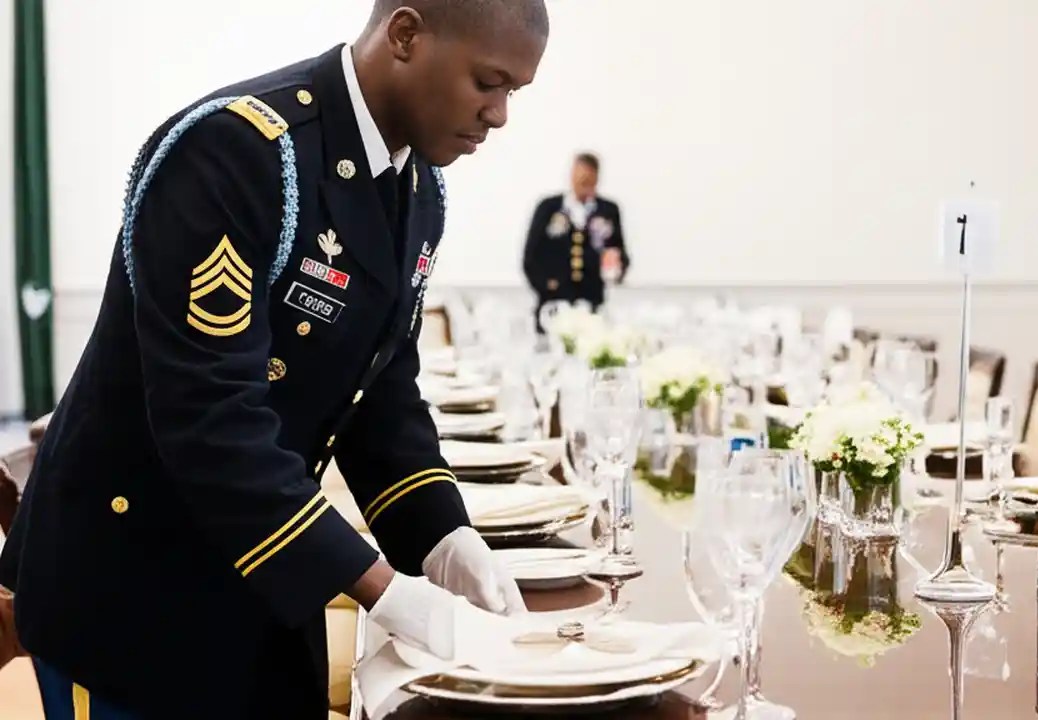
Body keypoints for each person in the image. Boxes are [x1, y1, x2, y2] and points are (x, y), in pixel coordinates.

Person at [0, 1, 548, 717]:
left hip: (262, 587)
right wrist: (383, 588)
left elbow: (381, 398)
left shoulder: (418, 189)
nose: (500, 114)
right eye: (489, 81)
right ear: (407, 35)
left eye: (514, 92)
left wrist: (445, 536)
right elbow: (208, 418)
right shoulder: (238, 151)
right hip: (132, 591)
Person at [523, 152, 629, 326]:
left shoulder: (608, 210)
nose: (584, 184)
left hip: (592, 304)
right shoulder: (549, 208)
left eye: (588, 179)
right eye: (580, 177)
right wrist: (546, 285)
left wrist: (616, 269)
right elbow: (531, 255)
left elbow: (618, 252)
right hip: (553, 305)